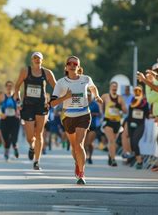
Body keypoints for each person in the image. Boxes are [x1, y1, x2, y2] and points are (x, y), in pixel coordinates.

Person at [50, 56, 102, 185]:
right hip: (68, 117)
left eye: (75, 64)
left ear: (79, 67)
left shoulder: (86, 79)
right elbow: (52, 103)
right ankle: (77, 163)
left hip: (84, 115)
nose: (72, 65)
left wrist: (97, 96)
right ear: (66, 67)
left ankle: (82, 173)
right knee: (74, 147)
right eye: (70, 63)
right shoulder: (61, 83)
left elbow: (93, 88)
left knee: (79, 144)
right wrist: (66, 97)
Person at [14, 52, 56, 170]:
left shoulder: (47, 73)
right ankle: (32, 147)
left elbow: (56, 87)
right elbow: (17, 86)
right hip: (27, 106)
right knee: (29, 136)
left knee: (39, 134)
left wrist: (51, 101)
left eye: (39, 58)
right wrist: (18, 101)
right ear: (32, 60)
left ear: (42, 60)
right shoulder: (25, 71)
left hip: (41, 106)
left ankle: (37, 161)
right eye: (35, 58)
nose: (37, 60)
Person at [100, 82, 127, 167]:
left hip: (117, 122)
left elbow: (125, 110)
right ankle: (113, 160)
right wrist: (102, 111)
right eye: (113, 86)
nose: (114, 88)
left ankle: (110, 155)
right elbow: (98, 101)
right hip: (108, 121)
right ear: (110, 87)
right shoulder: (105, 96)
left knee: (113, 142)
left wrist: (119, 106)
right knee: (111, 140)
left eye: (116, 87)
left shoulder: (120, 98)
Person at [123, 86, 149, 169]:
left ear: (141, 92)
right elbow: (129, 115)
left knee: (135, 141)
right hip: (131, 124)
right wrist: (126, 124)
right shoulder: (132, 101)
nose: (137, 93)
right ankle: (135, 158)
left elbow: (147, 115)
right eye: (135, 91)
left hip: (140, 125)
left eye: (139, 91)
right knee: (131, 143)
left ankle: (139, 161)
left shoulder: (144, 102)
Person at [0, 81, 21, 161]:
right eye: (8, 86)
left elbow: (20, 106)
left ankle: (15, 147)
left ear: (13, 87)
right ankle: (6, 151)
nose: (9, 87)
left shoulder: (16, 95)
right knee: (5, 138)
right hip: (4, 119)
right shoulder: (1, 95)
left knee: (14, 136)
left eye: (11, 86)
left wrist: (18, 112)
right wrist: (0, 114)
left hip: (14, 119)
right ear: (5, 87)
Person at [85, 91, 103, 164]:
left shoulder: (95, 104)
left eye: (89, 95)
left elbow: (100, 114)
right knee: (84, 143)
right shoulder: (83, 103)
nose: (88, 97)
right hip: (84, 125)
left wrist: (91, 114)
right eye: (87, 95)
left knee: (89, 143)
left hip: (93, 126)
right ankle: (86, 156)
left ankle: (90, 156)